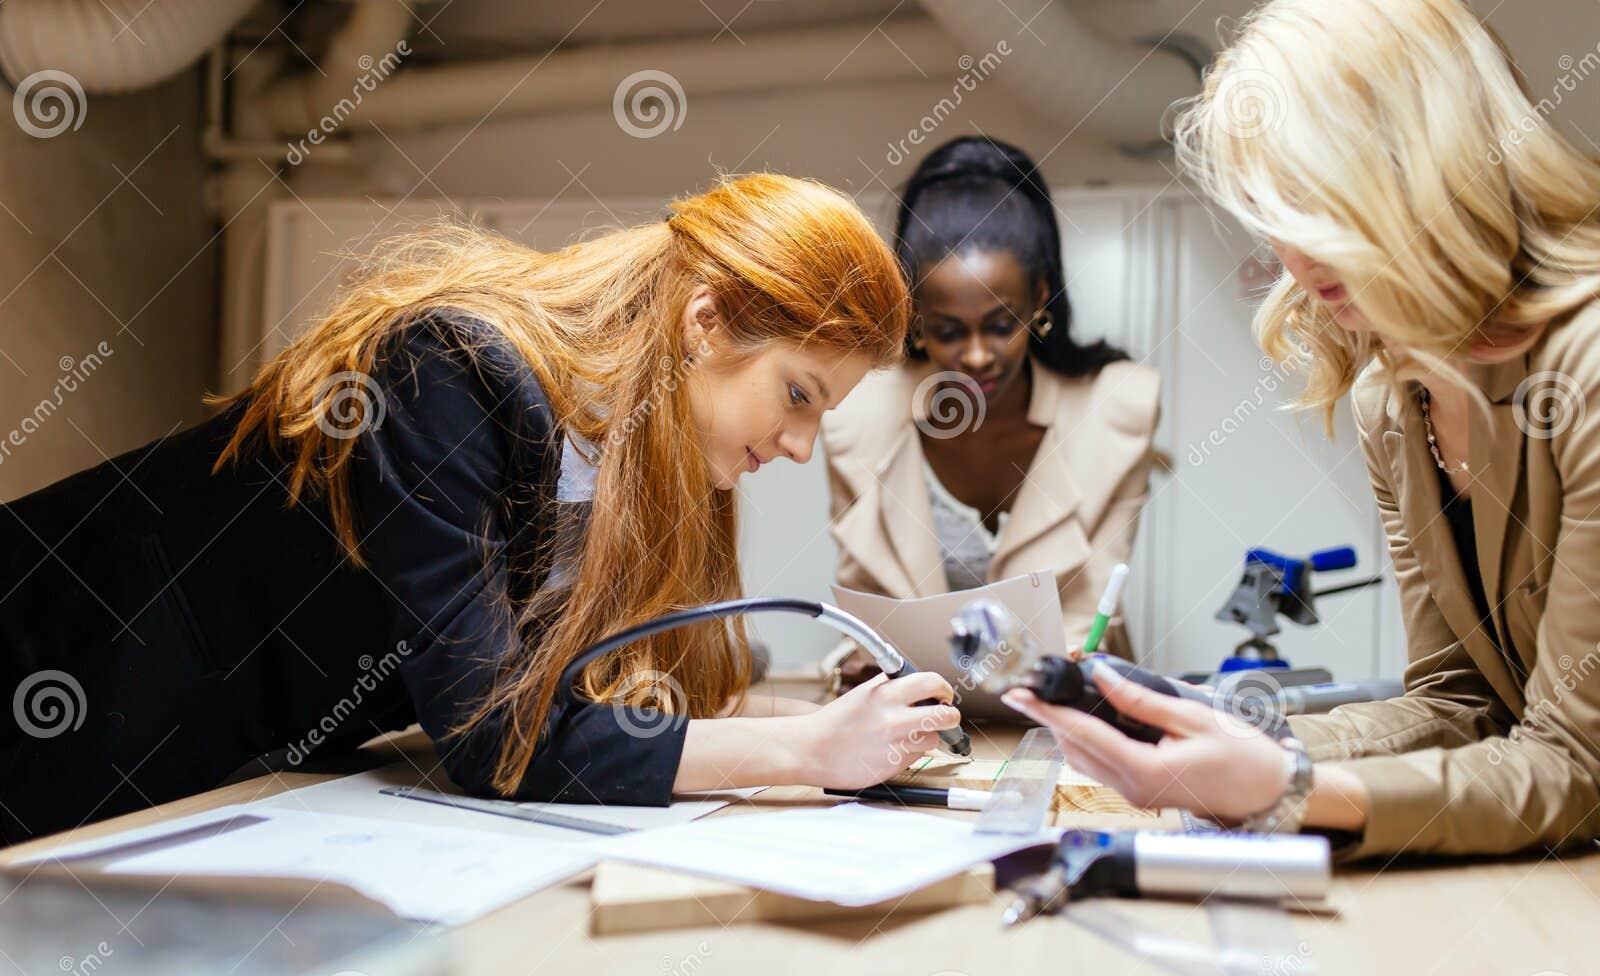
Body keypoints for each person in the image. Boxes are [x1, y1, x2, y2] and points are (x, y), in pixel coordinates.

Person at [0, 173, 961, 845]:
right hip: (60, 648)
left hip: (200, 719)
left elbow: (587, 682)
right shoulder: (450, 370)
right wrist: (806, 749)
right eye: (798, 394)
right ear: (704, 322)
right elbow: (495, 736)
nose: (800, 446)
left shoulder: (637, 457)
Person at [1006, 0, 1600, 859]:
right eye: (1267, 206)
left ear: (1426, 164)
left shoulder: (1583, 369)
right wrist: (1210, 734)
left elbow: (1575, 764)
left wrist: (1289, 786)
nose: (1290, 251)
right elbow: (1459, 704)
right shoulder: (1394, 399)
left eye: (1313, 197)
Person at [822, 136, 1160, 680]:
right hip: (919, 726)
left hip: (1063, 718)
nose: (977, 356)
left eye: (1002, 325)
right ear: (914, 316)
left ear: (1040, 300)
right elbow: (866, 618)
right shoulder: (856, 418)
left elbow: (1088, 614)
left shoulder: (1117, 410)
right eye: (950, 331)